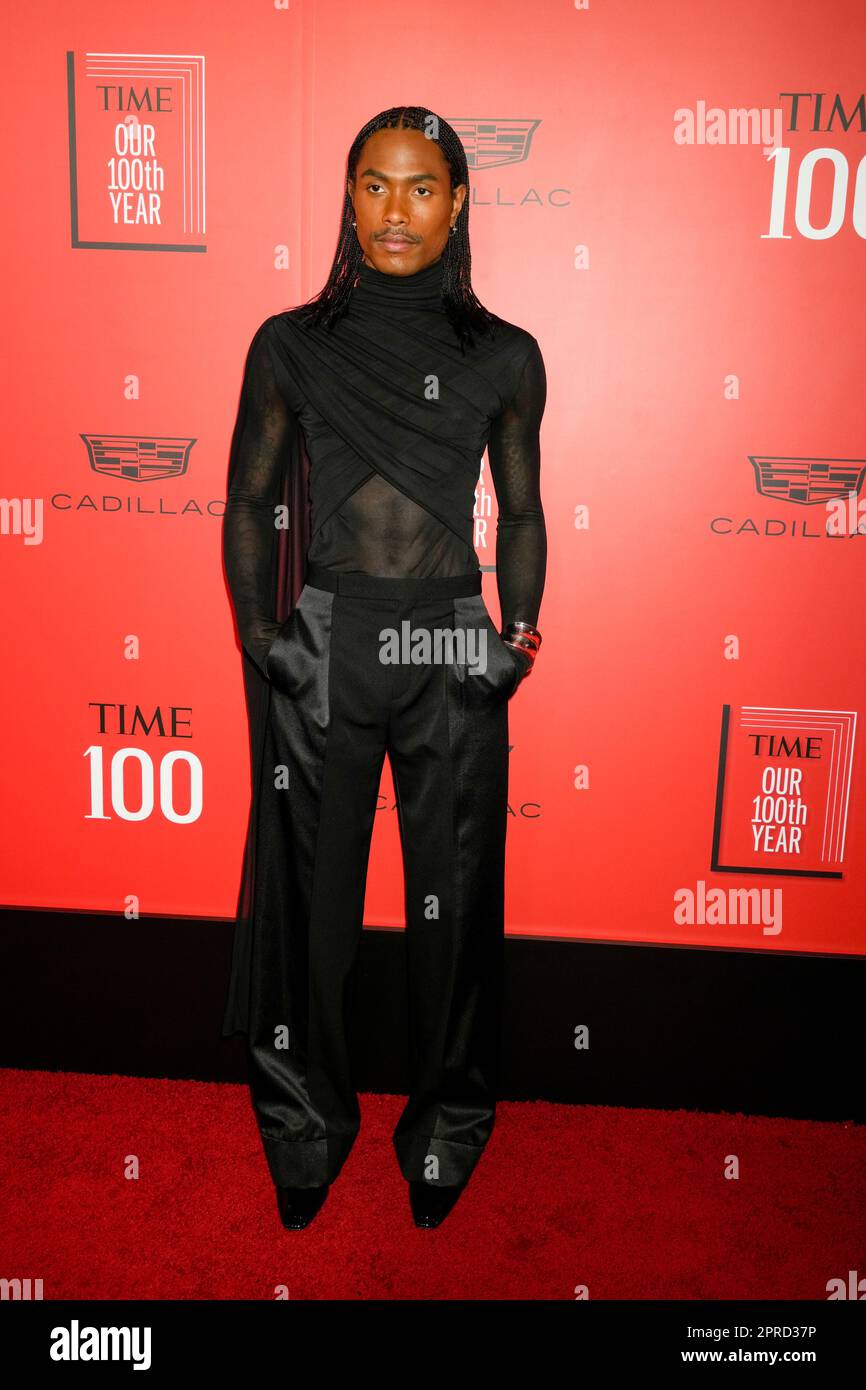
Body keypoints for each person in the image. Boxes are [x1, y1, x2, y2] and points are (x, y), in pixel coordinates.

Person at [221, 106, 547, 1230]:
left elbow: (522, 507)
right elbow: (247, 499)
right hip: (326, 641)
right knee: (311, 907)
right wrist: (265, 640)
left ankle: (447, 1126)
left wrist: (518, 636)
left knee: (449, 910)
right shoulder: (289, 341)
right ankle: (304, 1122)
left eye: (419, 187)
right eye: (372, 185)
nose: (394, 210)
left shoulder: (504, 353)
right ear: (348, 197)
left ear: (457, 203)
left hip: (452, 644)